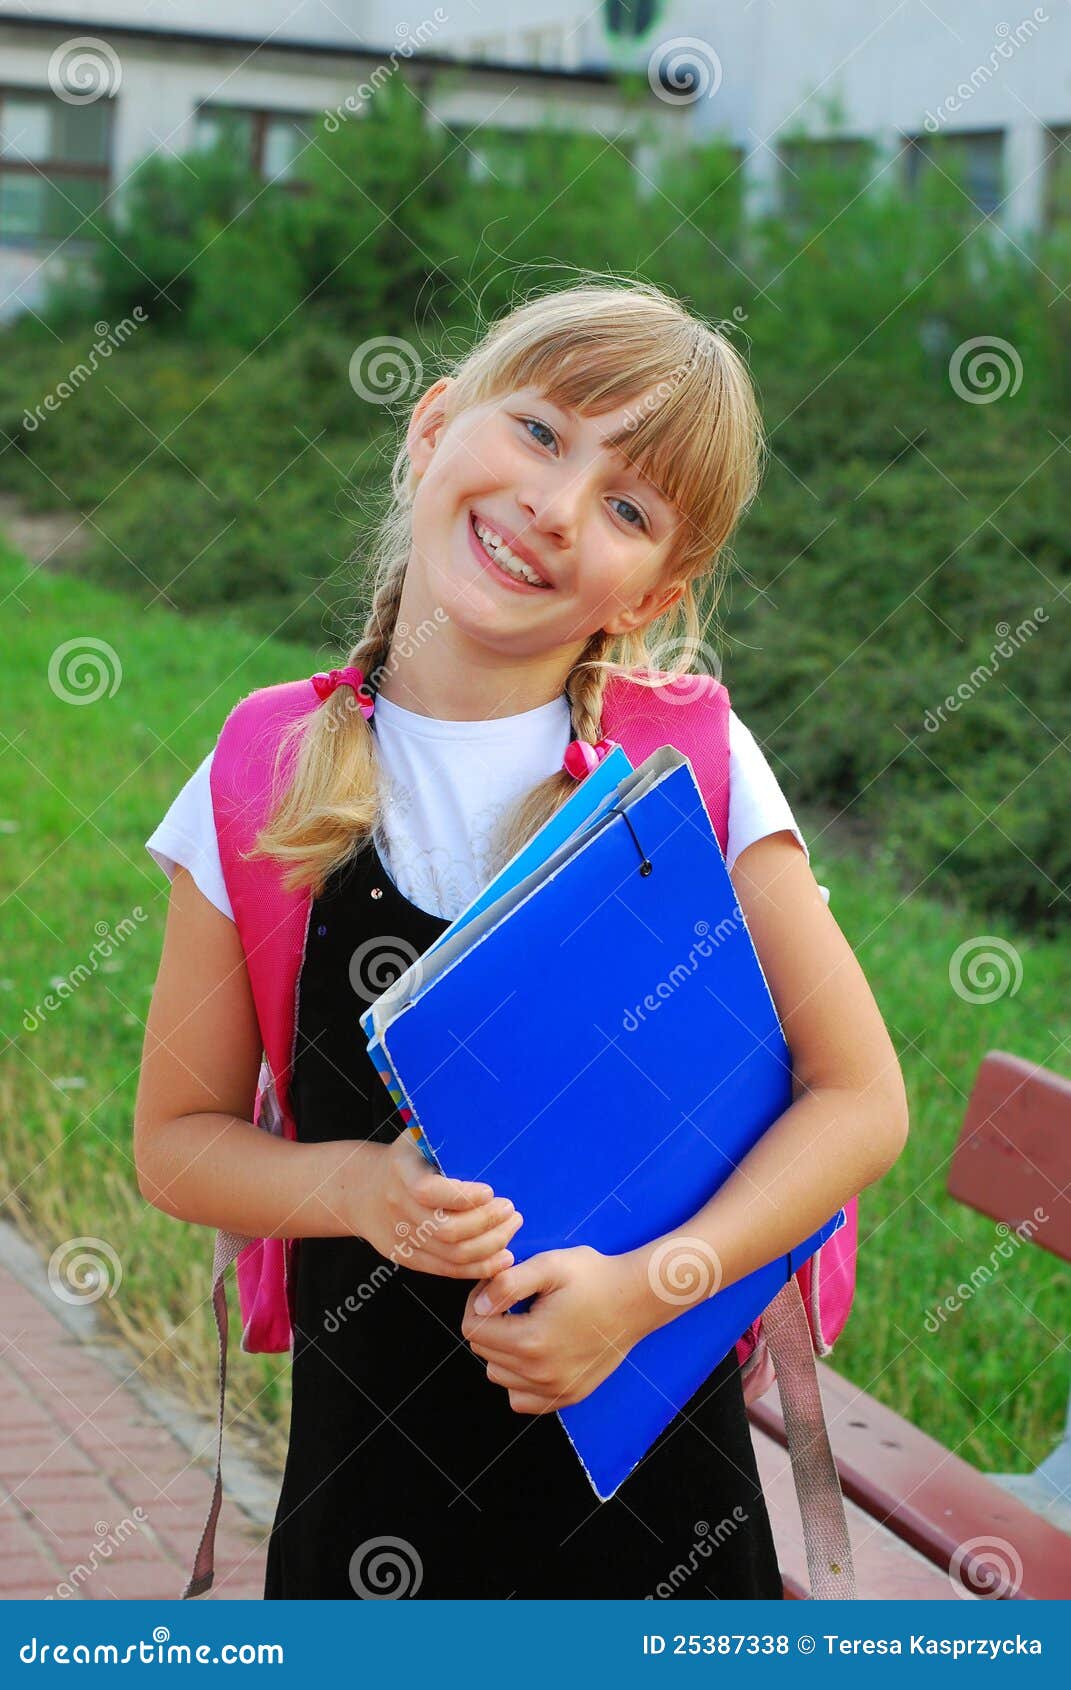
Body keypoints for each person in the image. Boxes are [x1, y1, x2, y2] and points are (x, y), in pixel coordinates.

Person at [135, 279, 908, 1600]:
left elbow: (862, 1100)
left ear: (649, 594)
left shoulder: (695, 771)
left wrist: (648, 1289)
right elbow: (177, 1141)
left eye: (626, 506)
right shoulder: (265, 766)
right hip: (363, 1523)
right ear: (436, 426)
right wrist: (353, 1194)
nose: (555, 505)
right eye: (542, 432)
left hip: (663, 1538)